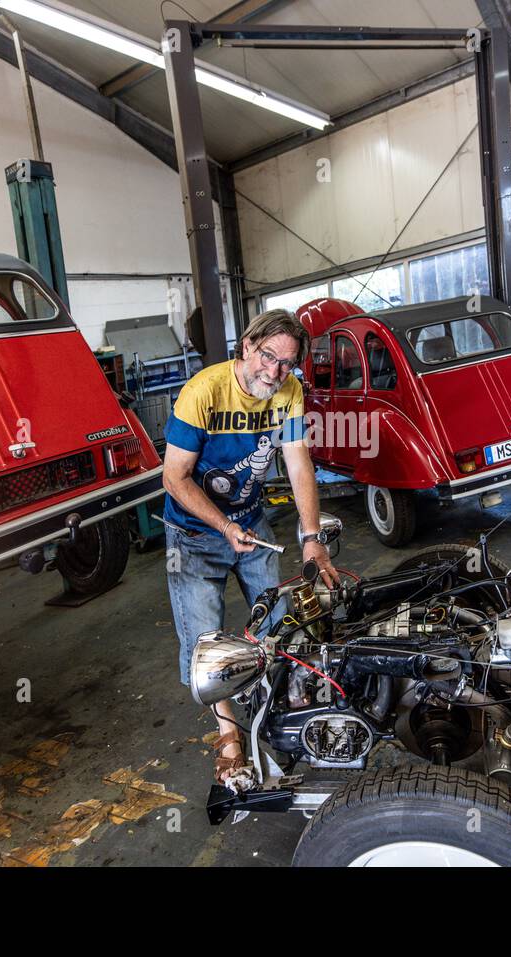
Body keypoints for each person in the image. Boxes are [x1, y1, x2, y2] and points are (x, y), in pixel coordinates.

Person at [162, 308, 340, 788]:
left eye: (287, 364)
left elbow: (299, 466)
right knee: (208, 648)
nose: (276, 372)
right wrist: (221, 525)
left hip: (252, 528)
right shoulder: (203, 392)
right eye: (268, 357)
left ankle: (291, 707)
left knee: (287, 621)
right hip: (195, 536)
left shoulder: (289, 392)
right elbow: (174, 478)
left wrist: (311, 540)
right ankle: (230, 740)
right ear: (246, 347)